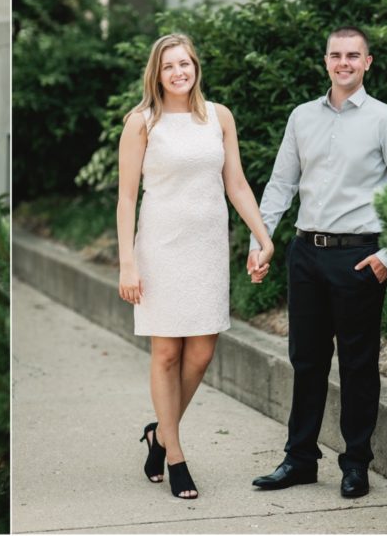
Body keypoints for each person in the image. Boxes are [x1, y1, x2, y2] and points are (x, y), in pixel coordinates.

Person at [249, 26, 387, 499]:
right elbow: (281, 185)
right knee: (305, 360)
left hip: (359, 258)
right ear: (325, 61)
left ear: (368, 62)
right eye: (335, 55)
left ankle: (356, 464)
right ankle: (301, 458)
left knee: (357, 363)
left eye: (353, 55)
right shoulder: (302, 117)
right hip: (306, 253)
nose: (343, 62)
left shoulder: (386, 120)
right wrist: (259, 240)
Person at [117, 33, 275, 499]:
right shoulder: (142, 122)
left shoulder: (218, 117)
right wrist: (128, 262)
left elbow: (238, 184)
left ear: (195, 67)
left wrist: (263, 237)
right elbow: (127, 198)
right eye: (169, 67)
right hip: (160, 249)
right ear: (156, 73)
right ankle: (177, 454)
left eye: (185, 64)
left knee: (201, 354)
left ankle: (158, 434)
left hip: (206, 249)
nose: (179, 73)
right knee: (167, 353)